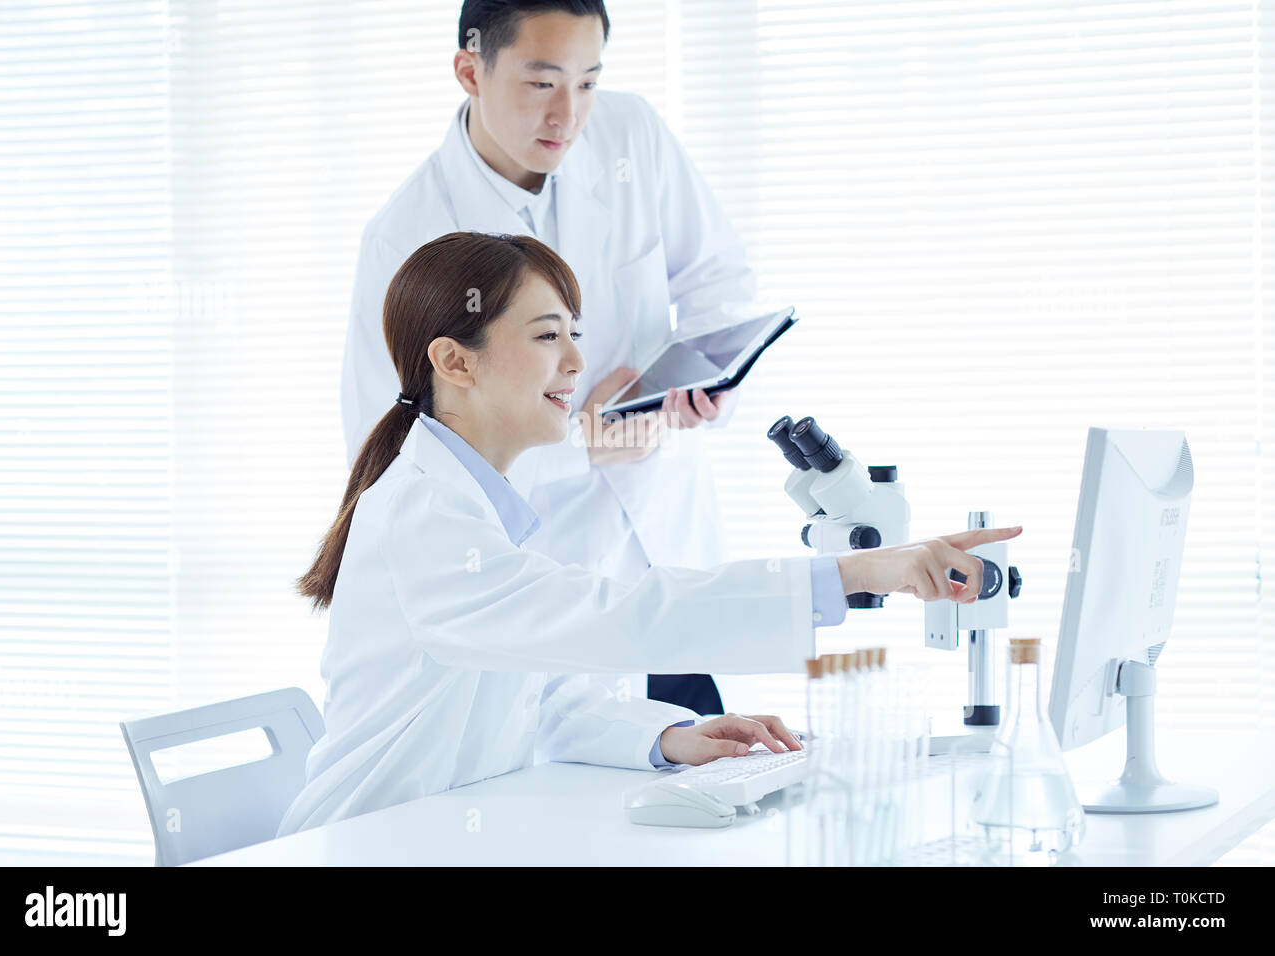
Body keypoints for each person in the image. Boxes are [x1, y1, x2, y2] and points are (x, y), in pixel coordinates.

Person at [277, 232, 1020, 836]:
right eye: (546, 336)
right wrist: (860, 573)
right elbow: (619, 615)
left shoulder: (486, 501)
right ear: (453, 360)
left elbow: (547, 696)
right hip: (362, 842)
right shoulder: (424, 519)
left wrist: (668, 740)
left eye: (575, 334)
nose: (575, 362)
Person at [341, 0, 759, 716]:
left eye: (588, 82)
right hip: (548, 574)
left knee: (709, 778)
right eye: (541, 84)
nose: (568, 115)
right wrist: (582, 444)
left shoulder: (632, 137)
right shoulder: (407, 238)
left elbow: (717, 281)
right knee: (584, 777)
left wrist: (696, 379)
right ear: (470, 70)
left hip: (666, 535)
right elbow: (400, 454)